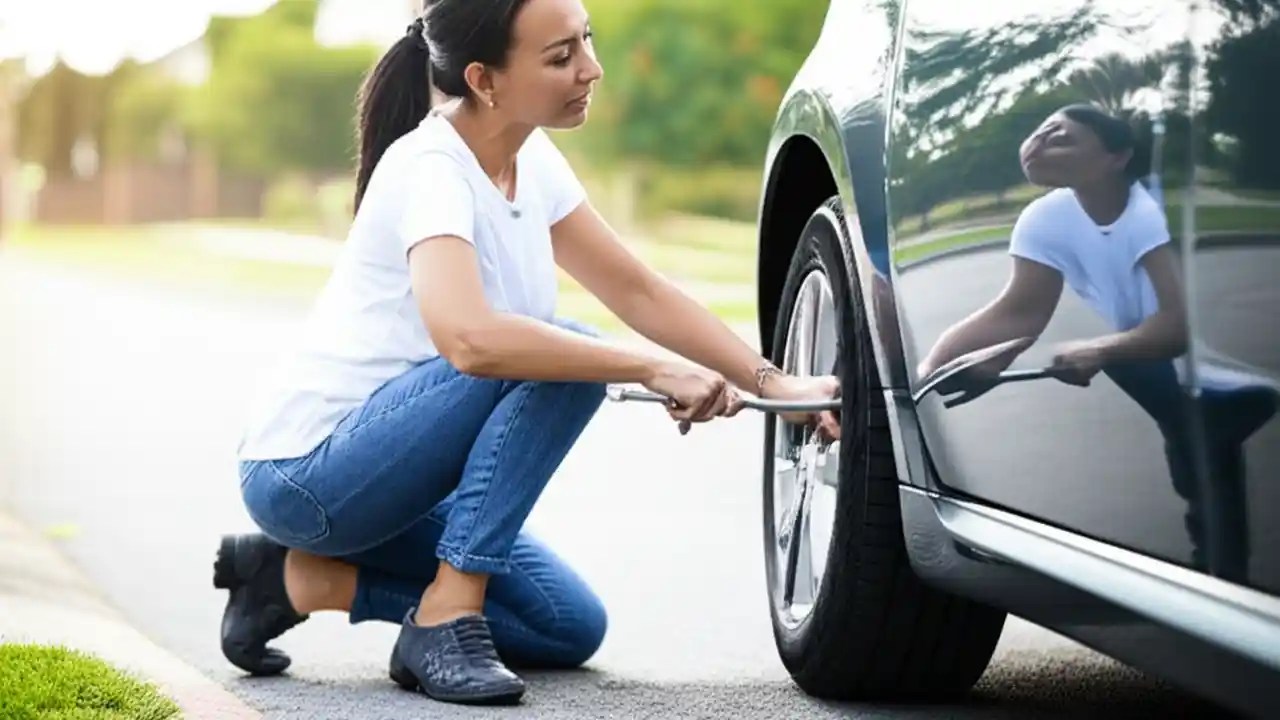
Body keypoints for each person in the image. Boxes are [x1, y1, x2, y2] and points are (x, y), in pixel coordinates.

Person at [214, 0, 841, 707]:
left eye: (587, 42)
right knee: (569, 354)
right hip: (309, 473)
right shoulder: (432, 169)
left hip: (398, 477)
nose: (591, 69)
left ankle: (289, 579)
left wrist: (772, 381)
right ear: (484, 80)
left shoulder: (528, 159)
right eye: (560, 56)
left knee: (564, 625)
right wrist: (647, 365)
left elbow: (637, 290)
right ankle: (447, 613)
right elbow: (470, 340)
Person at [917, 103, 1277, 581]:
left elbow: (1174, 326)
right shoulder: (1046, 218)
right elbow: (1020, 311)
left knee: (1191, 440)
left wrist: (1100, 351)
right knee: (1190, 443)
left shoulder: (1146, 214)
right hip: (1158, 365)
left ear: (1116, 158)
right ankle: (1216, 565)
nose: (1038, 143)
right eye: (1039, 131)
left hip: (1193, 358)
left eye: (1061, 136)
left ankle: (1222, 571)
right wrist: (924, 376)